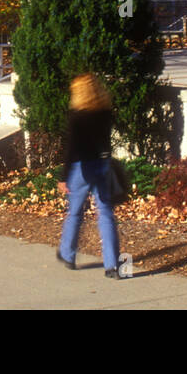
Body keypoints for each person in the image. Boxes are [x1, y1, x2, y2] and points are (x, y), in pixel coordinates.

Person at [56, 72, 122, 278]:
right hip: (102, 165)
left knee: (75, 213)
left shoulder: (76, 116)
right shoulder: (106, 112)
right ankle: (112, 265)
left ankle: (68, 254)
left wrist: (63, 176)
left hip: (80, 168)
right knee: (105, 213)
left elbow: (71, 148)